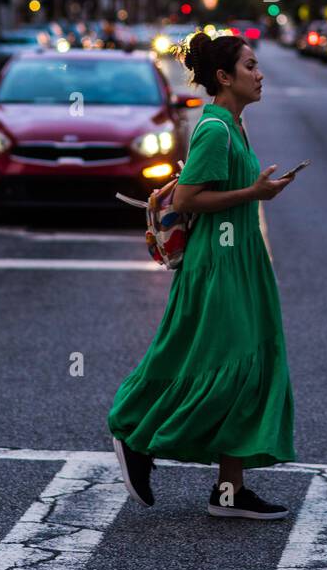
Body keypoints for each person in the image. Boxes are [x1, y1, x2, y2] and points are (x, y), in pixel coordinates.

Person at [108, 30, 297, 520]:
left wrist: (257, 191)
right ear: (223, 77)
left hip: (242, 259)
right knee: (214, 362)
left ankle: (229, 492)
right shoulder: (214, 128)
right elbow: (189, 199)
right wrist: (253, 194)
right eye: (250, 66)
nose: (260, 75)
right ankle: (133, 434)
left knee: (247, 367)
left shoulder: (233, 124)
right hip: (217, 264)